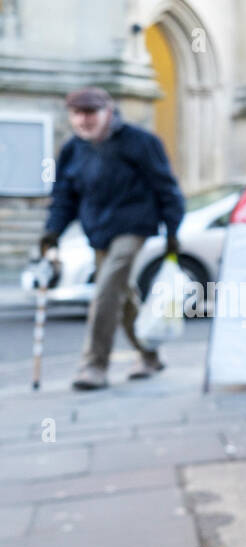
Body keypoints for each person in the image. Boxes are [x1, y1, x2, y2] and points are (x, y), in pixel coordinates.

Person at [40, 87, 186, 390]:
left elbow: (166, 187)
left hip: (134, 225)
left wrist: (173, 231)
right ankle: (149, 354)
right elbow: (64, 196)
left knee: (106, 288)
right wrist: (52, 232)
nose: (83, 120)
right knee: (123, 293)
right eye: (77, 114)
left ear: (108, 111)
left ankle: (94, 365)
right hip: (98, 231)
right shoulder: (72, 150)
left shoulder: (140, 142)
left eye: (90, 113)